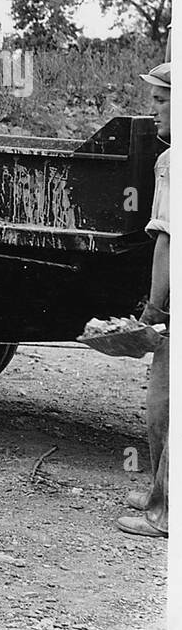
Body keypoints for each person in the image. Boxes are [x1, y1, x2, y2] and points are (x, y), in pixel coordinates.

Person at [119, 60, 169, 538]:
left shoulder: (172, 162)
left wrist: (153, 311)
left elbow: (167, 243)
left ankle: (164, 512)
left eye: (161, 101)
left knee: (165, 407)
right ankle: (161, 489)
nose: (152, 111)